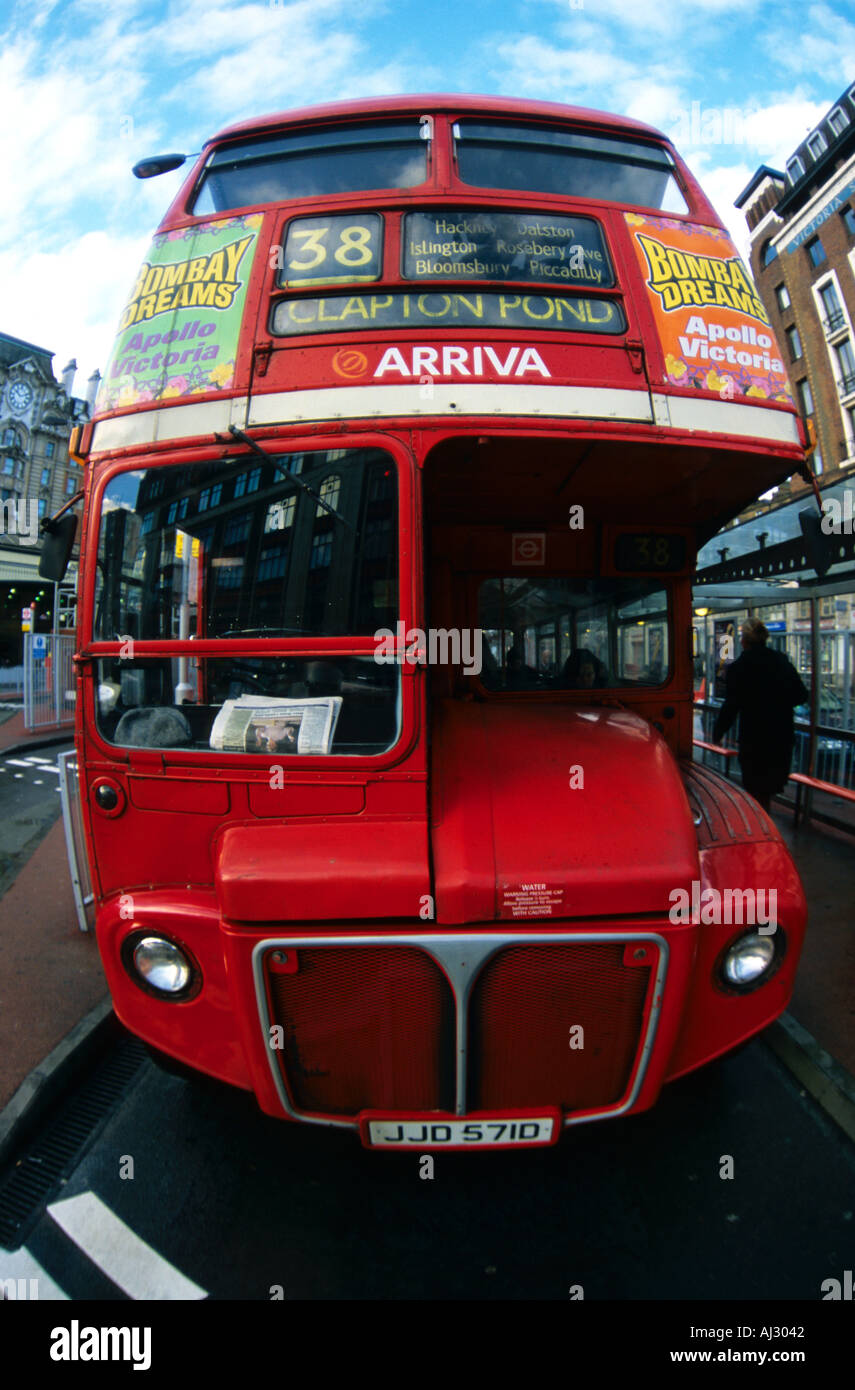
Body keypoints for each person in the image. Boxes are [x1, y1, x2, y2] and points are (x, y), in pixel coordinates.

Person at [713, 618, 809, 812]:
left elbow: (731, 706)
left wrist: (718, 732)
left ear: (744, 641)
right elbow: (801, 695)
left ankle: (761, 830)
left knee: (755, 787)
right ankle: (766, 826)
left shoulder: (740, 667)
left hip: (754, 739)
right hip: (780, 737)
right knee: (768, 788)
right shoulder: (781, 661)